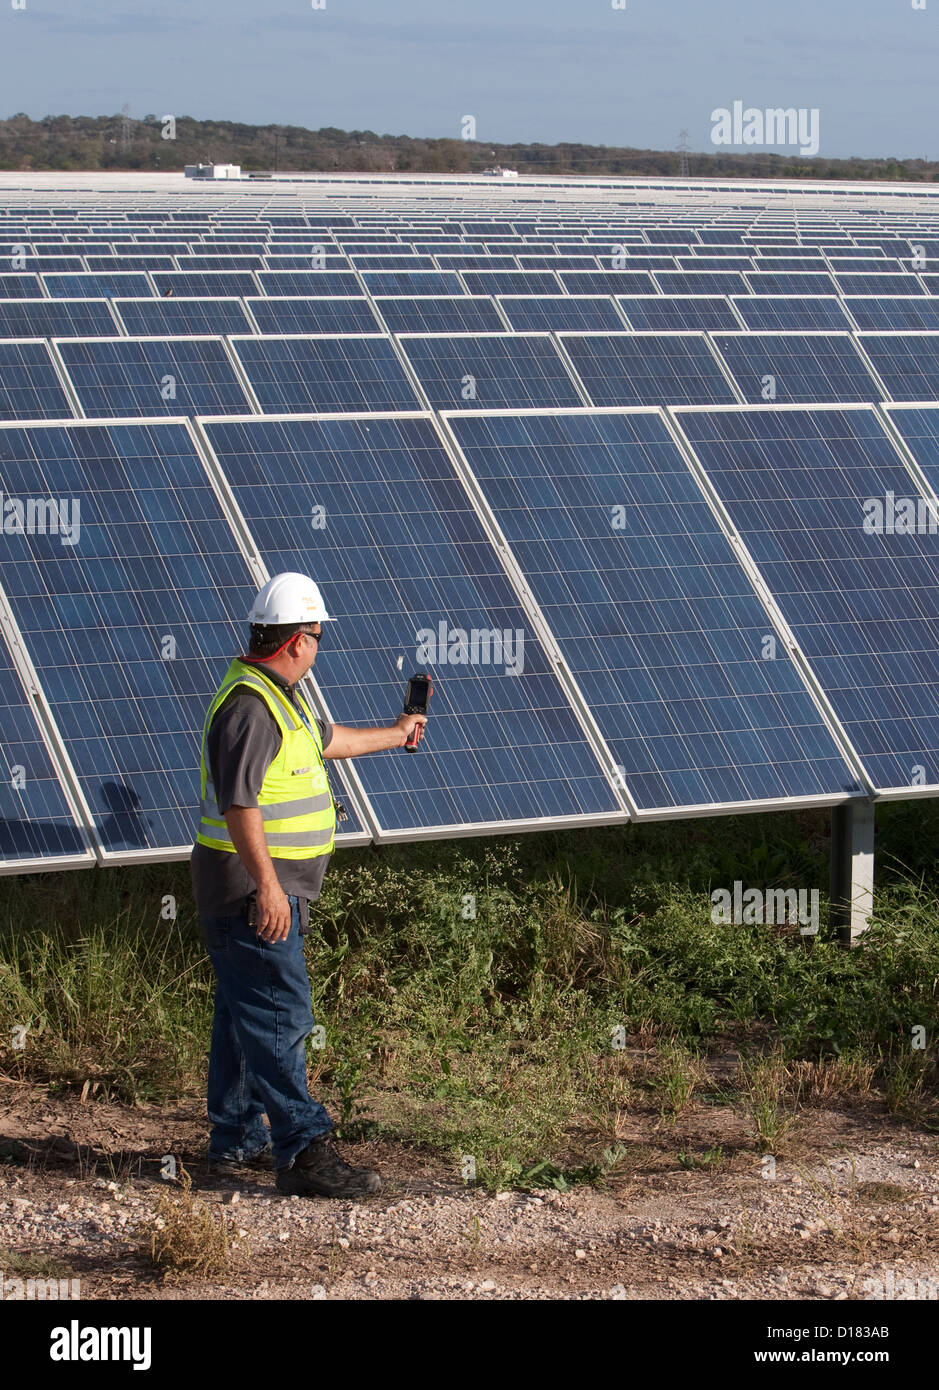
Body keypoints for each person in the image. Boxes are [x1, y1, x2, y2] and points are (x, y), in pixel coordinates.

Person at [190, 572, 427, 1198]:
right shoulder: (249, 708)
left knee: (243, 1016)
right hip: (251, 892)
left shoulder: (279, 695)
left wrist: (397, 732)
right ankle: (302, 1150)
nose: (320, 647)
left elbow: (325, 742)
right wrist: (268, 888)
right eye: (317, 636)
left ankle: (237, 1140)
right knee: (280, 1014)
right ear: (296, 640)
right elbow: (241, 805)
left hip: (261, 887)